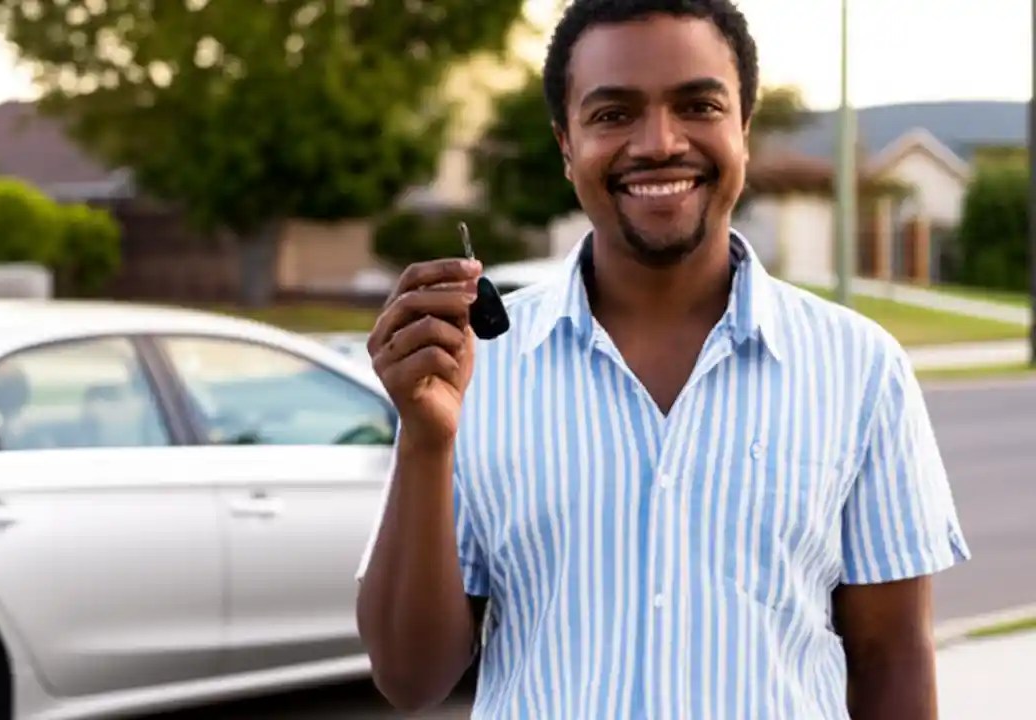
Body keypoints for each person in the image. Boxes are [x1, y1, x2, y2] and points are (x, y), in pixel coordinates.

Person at [353, 0, 971, 718]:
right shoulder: (470, 369)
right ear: (565, 143)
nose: (659, 142)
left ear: (743, 127)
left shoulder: (859, 368)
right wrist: (428, 442)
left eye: (698, 105)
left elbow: (890, 655)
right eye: (613, 114)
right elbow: (409, 678)